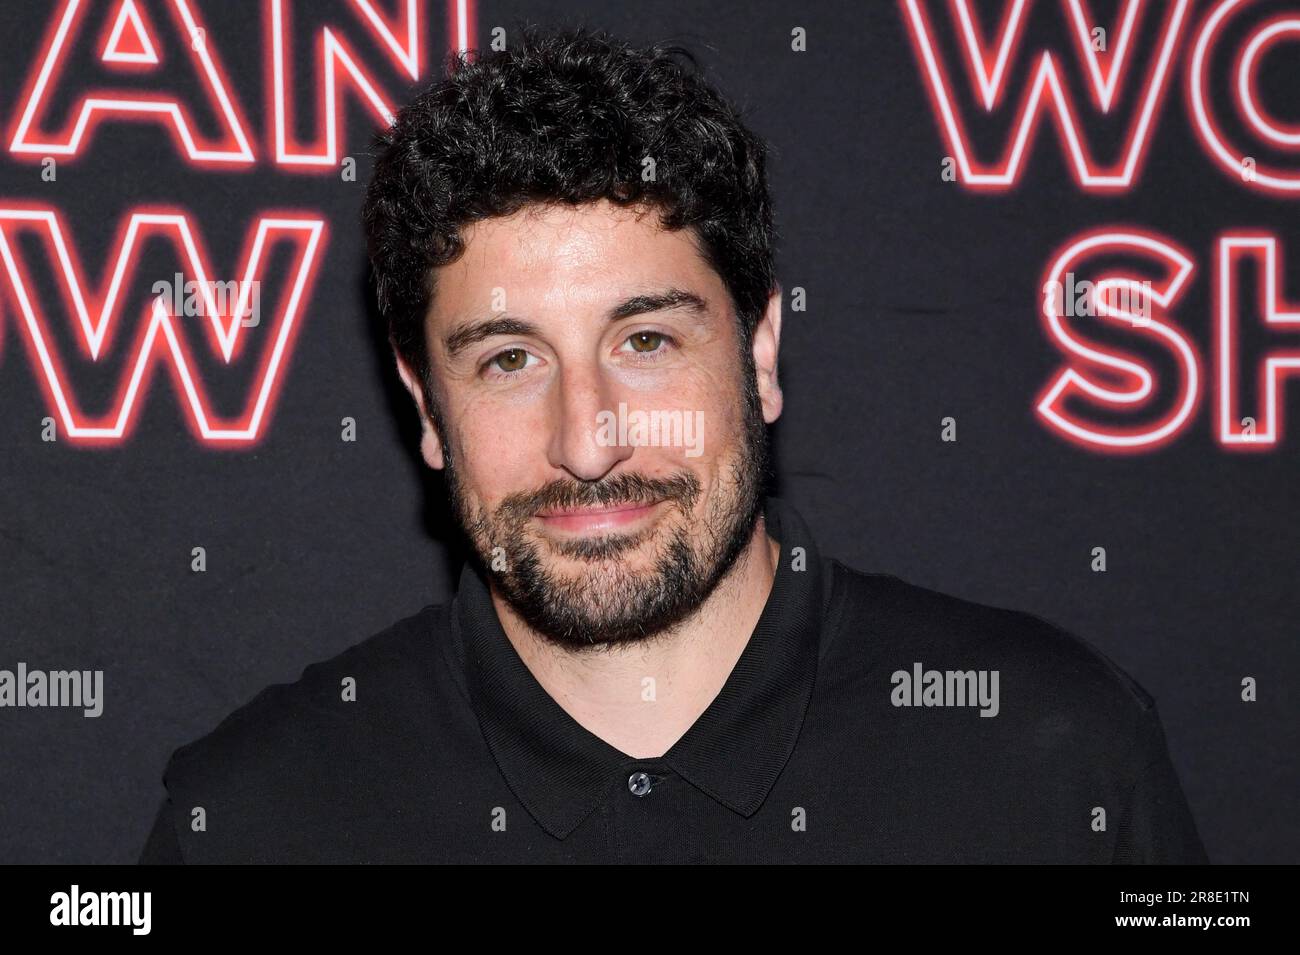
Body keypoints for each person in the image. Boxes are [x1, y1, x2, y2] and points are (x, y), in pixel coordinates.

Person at [138, 26, 1207, 864]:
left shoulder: (1054, 753)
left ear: (761, 352)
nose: (588, 440)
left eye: (645, 340)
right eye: (508, 359)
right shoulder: (255, 816)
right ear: (424, 402)